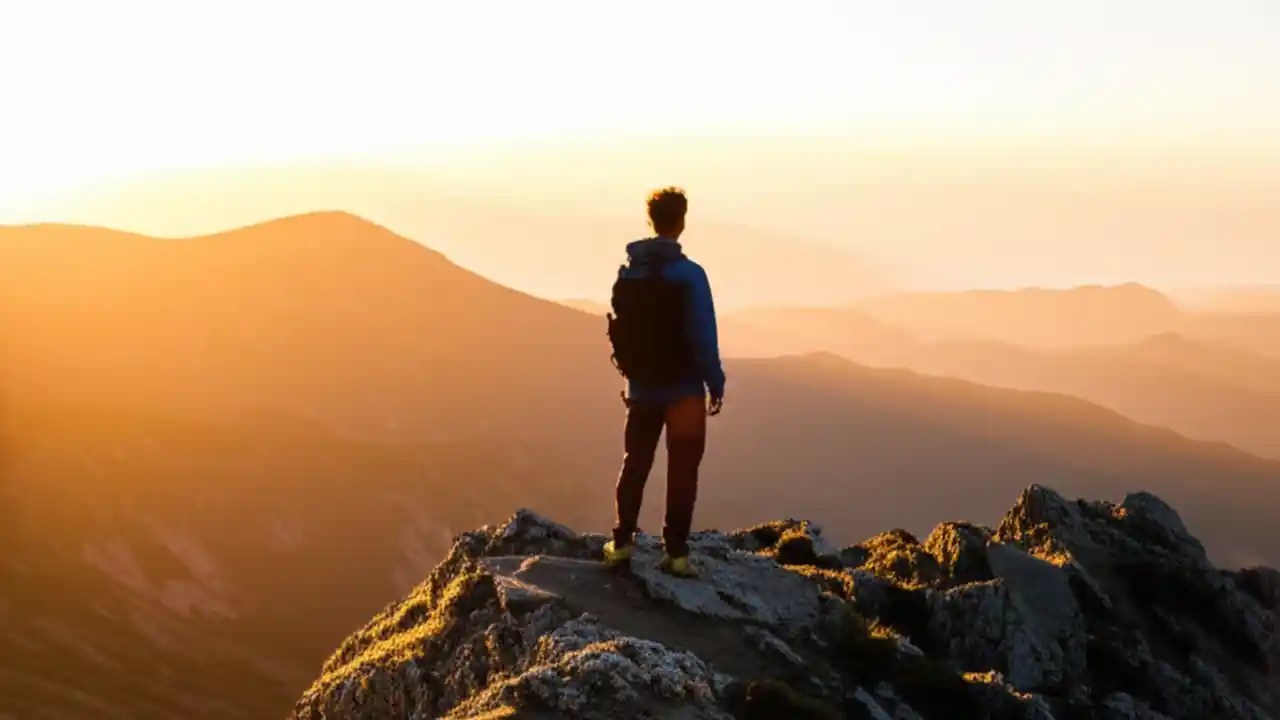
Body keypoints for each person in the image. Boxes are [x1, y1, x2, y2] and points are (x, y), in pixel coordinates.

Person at [602, 187, 726, 578]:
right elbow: (703, 335)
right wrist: (715, 382)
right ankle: (676, 554)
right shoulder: (690, 275)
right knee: (683, 468)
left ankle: (621, 545)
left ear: (650, 220)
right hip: (685, 389)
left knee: (635, 463)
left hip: (641, 386)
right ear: (682, 220)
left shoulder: (630, 272)